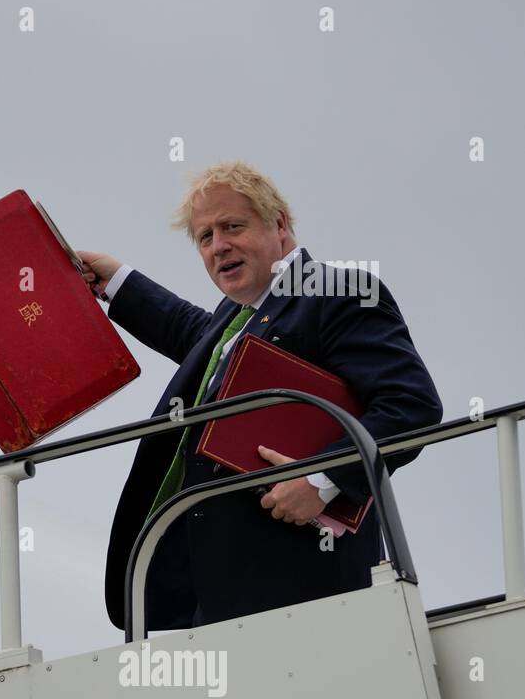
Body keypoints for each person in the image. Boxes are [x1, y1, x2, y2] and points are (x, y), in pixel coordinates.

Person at [76, 161, 442, 633]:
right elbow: (194, 335)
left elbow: (411, 406)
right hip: (214, 595)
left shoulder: (337, 292)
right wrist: (117, 282)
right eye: (205, 237)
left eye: (232, 226)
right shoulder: (237, 317)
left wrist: (322, 479)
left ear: (280, 225)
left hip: (304, 591)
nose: (218, 246)